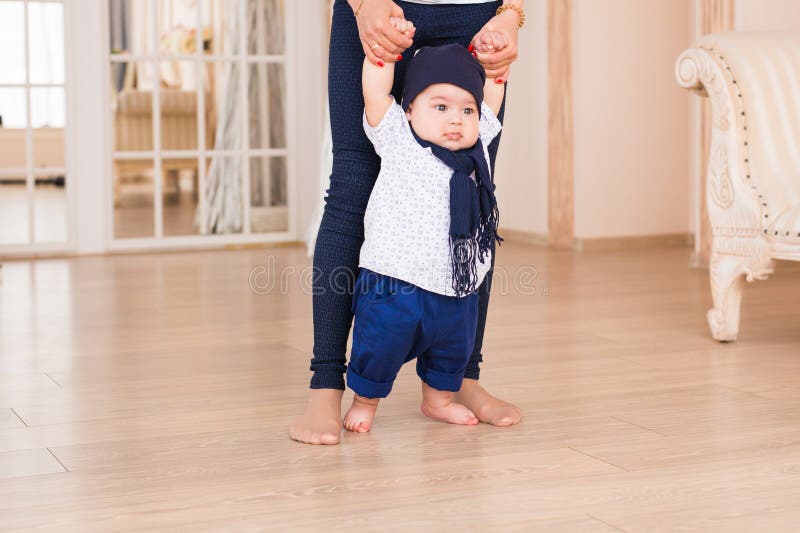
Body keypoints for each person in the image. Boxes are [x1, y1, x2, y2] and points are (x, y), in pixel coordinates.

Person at [290, 0, 525, 445]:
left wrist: (510, 13)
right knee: (350, 190)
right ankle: (326, 384)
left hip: (478, 16)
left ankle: (460, 378)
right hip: (378, 7)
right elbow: (377, 102)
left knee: (475, 198)